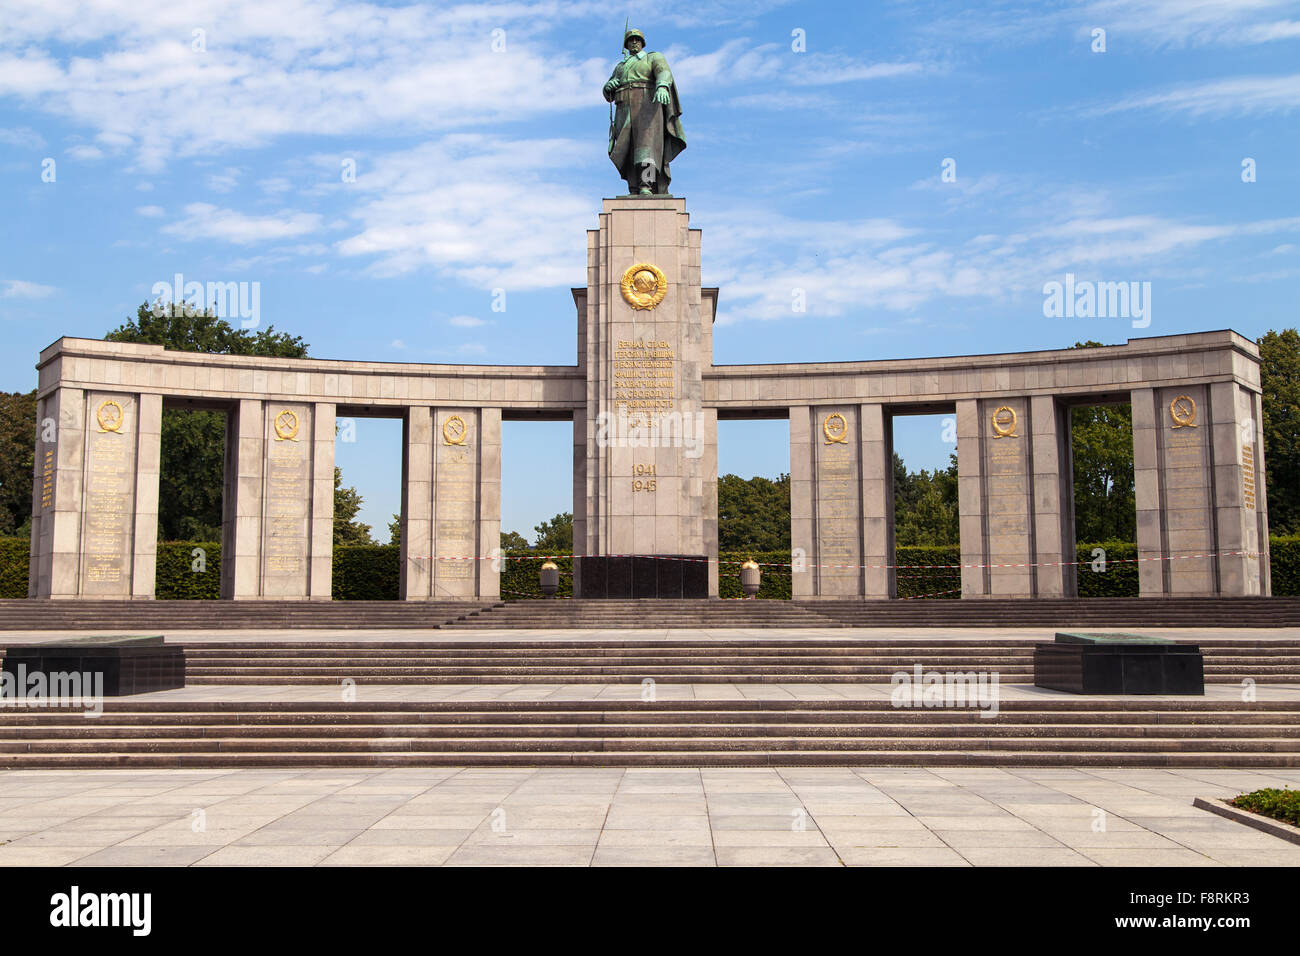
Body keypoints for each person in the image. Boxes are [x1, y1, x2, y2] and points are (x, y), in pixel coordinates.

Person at [602, 28, 686, 195]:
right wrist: (607, 88)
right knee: (628, 149)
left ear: (642, 43)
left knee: (646, 148)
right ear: (626, 45)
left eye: (637, 39)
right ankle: (633, 187)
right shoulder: (621, 66)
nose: (634, 42)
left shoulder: (653, 57)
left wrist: (662, 86)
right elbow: (608, 91)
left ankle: (645, 185)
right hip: (624, 108)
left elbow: (664, 72)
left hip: (647, 106)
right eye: (631, 40)